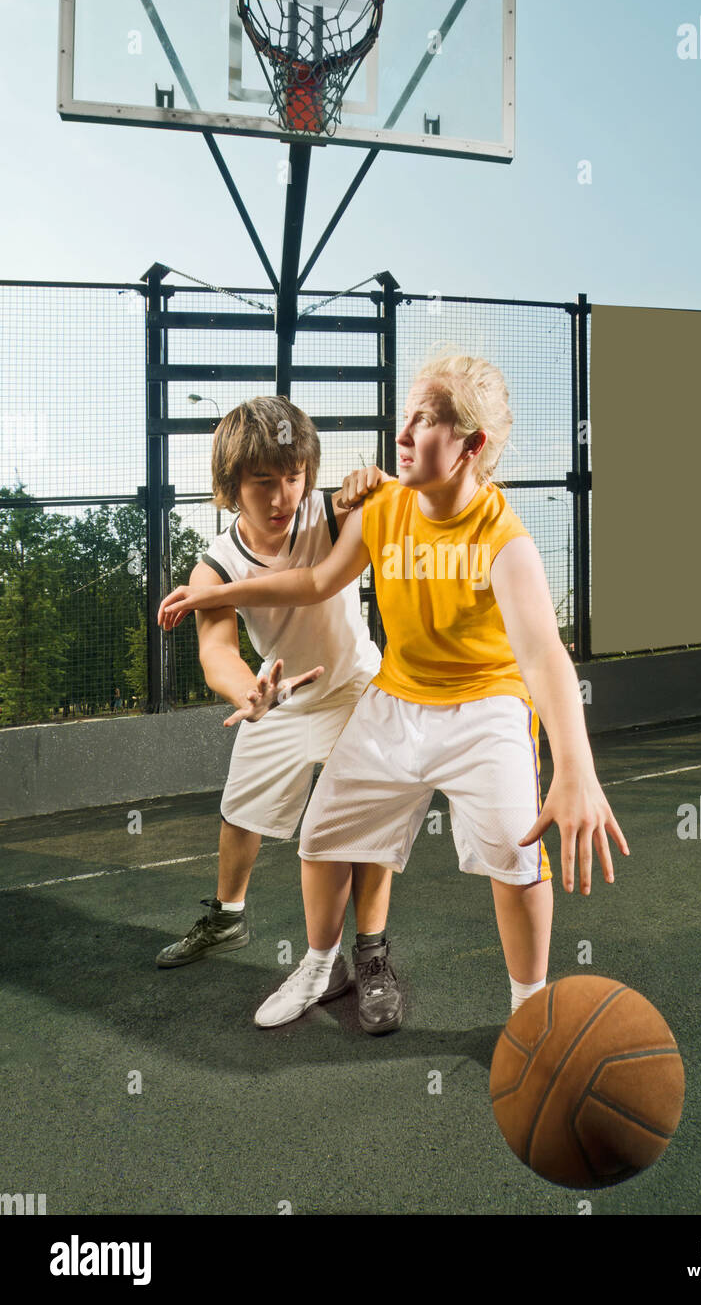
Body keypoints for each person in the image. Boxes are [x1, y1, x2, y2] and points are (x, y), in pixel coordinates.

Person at [159, 355, 629, 1030]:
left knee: (514, 851)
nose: (403, 432)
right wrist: (222, 594)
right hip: (393, 697)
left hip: (482, 706)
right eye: (405, 416)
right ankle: (324, 966)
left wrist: (576, 769)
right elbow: (315, 582)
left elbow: (543, 656)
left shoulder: (504, 540)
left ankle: (529, 1007)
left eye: (426, 420)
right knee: (320, 837)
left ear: (474, 445)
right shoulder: (381, 505)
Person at [155, 395, 404, 1036]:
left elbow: (352, 533)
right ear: (230, 487)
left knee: (360, 821)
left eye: (294, 476)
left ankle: (370, 954)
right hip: (282, 696)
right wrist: (251, 694)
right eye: (264, 481)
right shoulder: (213, 563)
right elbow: (217, 654)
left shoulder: (329, 510)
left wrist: (371, 481)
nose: (282, 495)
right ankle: (228, 916)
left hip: (355, 686)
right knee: (240, 812)